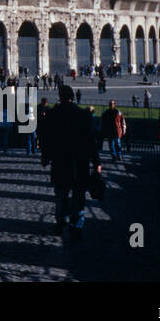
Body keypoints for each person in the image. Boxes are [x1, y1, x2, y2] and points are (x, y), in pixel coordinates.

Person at [39, 84, 100, 237]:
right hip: (80, 162)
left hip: (60, 161)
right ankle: (77, 224)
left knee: (61, 194)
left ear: (60, 97)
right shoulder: (83, 115)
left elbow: (47, 139)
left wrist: (45, 157)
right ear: (72, 97)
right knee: (78, 195)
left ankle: (61, 221)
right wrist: (96, 162)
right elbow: (91, 141)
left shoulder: (52, 114)